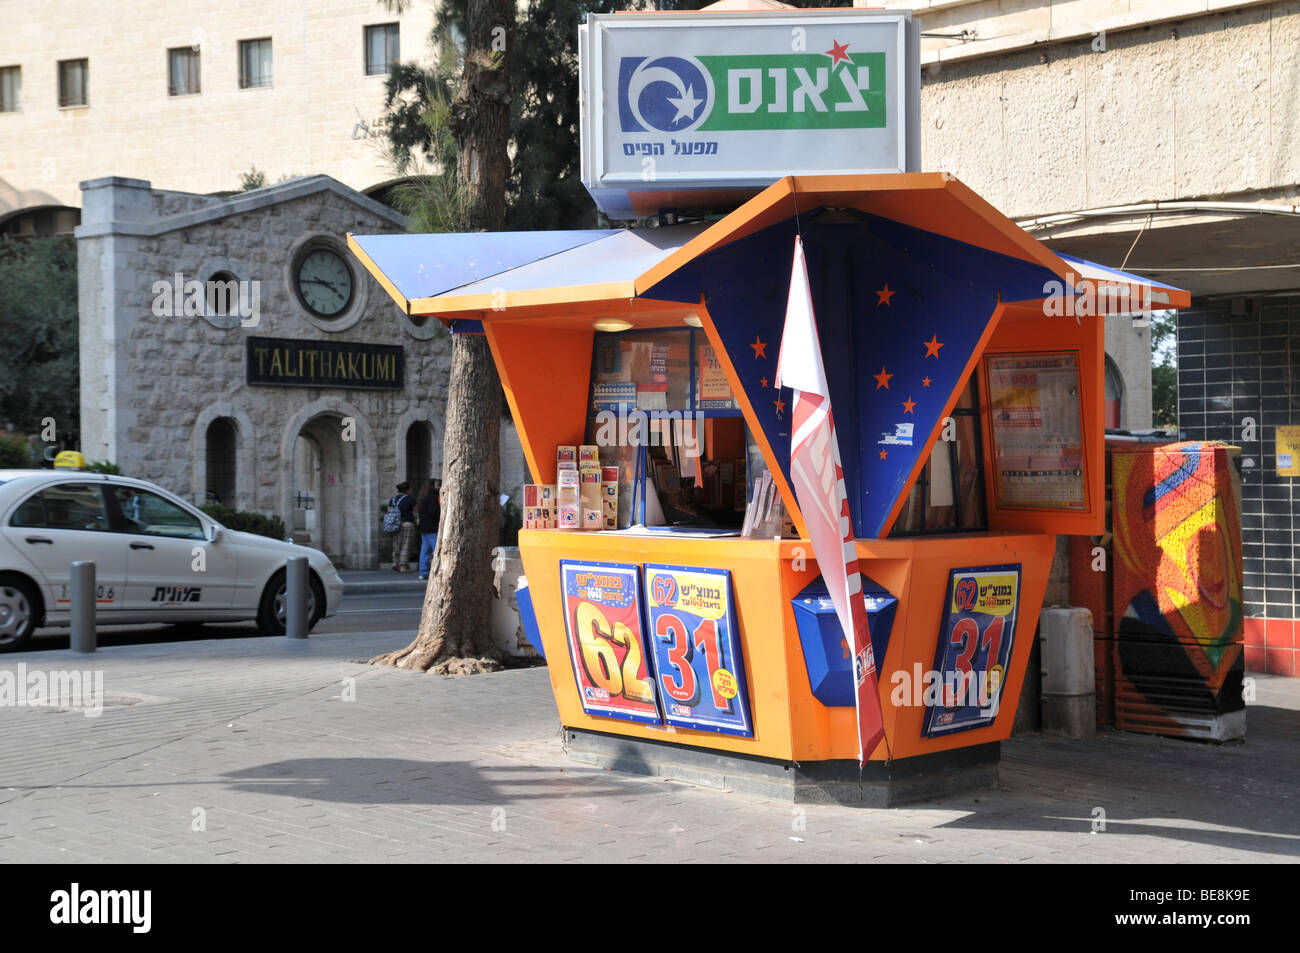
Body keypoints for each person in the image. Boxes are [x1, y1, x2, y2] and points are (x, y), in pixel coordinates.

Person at [416, 478, 441, 580]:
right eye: (437, 485)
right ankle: (439, 570)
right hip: (432, 528)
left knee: (425, 550)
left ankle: (424, 571)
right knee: (438, 550)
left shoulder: (423, 497)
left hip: (424, 528)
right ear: (432, 486)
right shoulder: (433, 497)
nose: (439, 487)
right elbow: (433, 512)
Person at [389, 482, 417, 573]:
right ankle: (403, 566)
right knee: (406, 545)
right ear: (407, 490)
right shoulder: (410, 499)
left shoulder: (392, 499)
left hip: (394, 524)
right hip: (407, 523)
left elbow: (389, 511)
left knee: (396, 544)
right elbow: (415, 511)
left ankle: (395, 562)